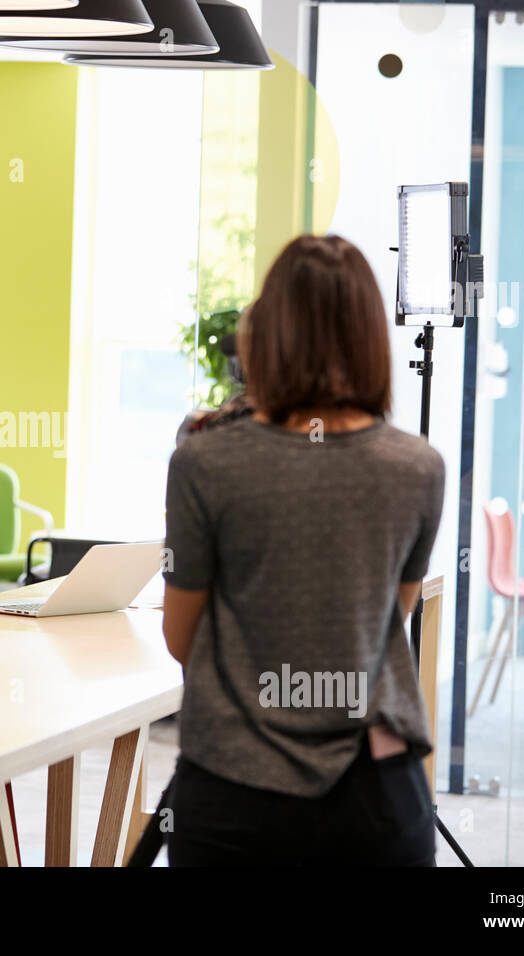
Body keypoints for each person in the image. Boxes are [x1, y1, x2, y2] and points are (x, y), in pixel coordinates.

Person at [160, 234, 446, 866]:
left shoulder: (206, 462)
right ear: (372, 337)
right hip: (375, 789)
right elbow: (386, 616)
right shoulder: (419, 468)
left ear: (268, 332)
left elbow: (181, 639)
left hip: (235, 788)